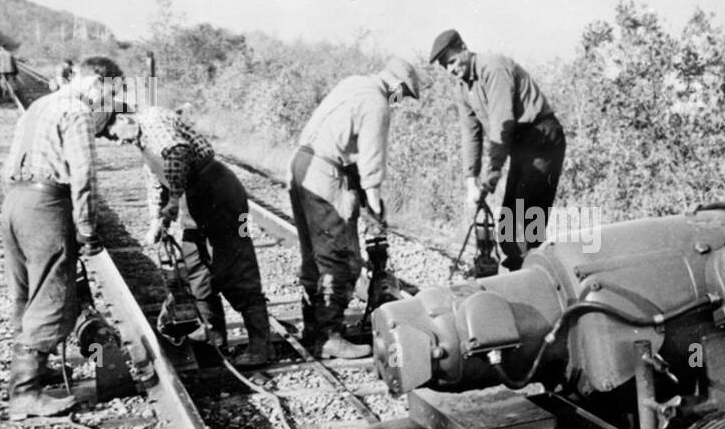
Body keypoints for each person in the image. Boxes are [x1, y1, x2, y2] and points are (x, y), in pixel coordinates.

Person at [107, 103, 275, 367]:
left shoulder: (153, 120)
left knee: (236, 269)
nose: (116, 143)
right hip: (193, 201)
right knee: (196, 270)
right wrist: (157, 220)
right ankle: (215, 341)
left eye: (113, 134)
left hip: (219, 194)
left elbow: (178, 152)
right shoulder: (142, 141)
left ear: (125, 118)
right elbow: (154, 180)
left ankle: (260, 346)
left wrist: (173, 199)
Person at [0, 56, 116, 419]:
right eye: (106, 92)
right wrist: (87, 229)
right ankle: (25, 393)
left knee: (25, 290)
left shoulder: (40, 105)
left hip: (15, 201)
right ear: (96, 82)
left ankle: (31, 371)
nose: (103, 101)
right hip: (45, 204)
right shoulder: (77, 112)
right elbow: (84, 176)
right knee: (52, 291)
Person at [289, 56, 420, 359]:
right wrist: (374, 204)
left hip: (300, 165)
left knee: (313, 256)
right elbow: (372, 157)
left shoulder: (353, 84)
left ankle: (313, 330)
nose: (401, 102)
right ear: (397, 86)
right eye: (404, 95)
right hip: (325, 173)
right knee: (342, 258)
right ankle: (328, 335)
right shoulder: (378, 102)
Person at [428, 29, 567, 271]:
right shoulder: (463, 88)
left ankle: (539, 285)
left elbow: (502, 121)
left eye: (451, 61)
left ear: (463, 48)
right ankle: (518, 279)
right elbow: (470, 134)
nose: (450, 70)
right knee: (508, 231)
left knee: (525, 226)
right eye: (445, 67)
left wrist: (492, 175)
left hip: (542, 140)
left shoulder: (493, 67)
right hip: (520, 147)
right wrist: (471, 180)